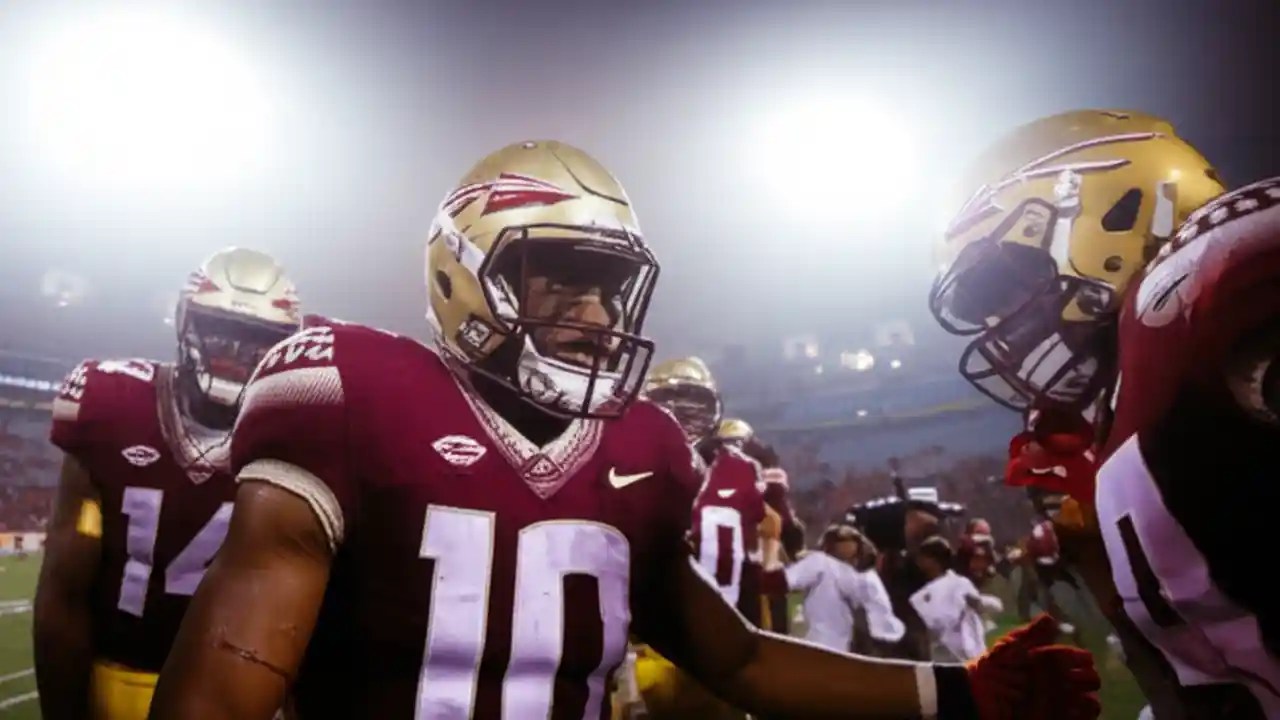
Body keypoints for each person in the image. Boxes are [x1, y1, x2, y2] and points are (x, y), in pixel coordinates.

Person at [151, 140, 1099, 720]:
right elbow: (220, 691)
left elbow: (741, 659)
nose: (599, 315)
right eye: (562, 274)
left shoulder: (640, 448)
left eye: (610, 286)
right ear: (465, 275)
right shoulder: (352, 390)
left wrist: (958, 696)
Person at [929, 108, 1280, 717]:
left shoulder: (1215, 282)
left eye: (1000, 288)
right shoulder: (1120, 396)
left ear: (1101, 217)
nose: (997, 327)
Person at [34, 248, 301, 720]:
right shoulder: (112, 406)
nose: (235, 354)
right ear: (184, 321)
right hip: (117, 675)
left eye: (254, 339)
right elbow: (63, 591)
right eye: (220, 331)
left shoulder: (296, 433)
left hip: (233, 689)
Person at [763, 524, 905, 653]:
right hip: (831, 649)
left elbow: (780, 582)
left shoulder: (826, 565)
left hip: (820, 648)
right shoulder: (860, 577)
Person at [910, 537, 1003, 663]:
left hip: (970, 657)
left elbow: (994, 606)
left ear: (933, 560)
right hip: (942, 660)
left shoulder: (959, 584)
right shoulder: (919, 597)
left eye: (922, 557)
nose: (918, 562)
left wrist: (977, 602)